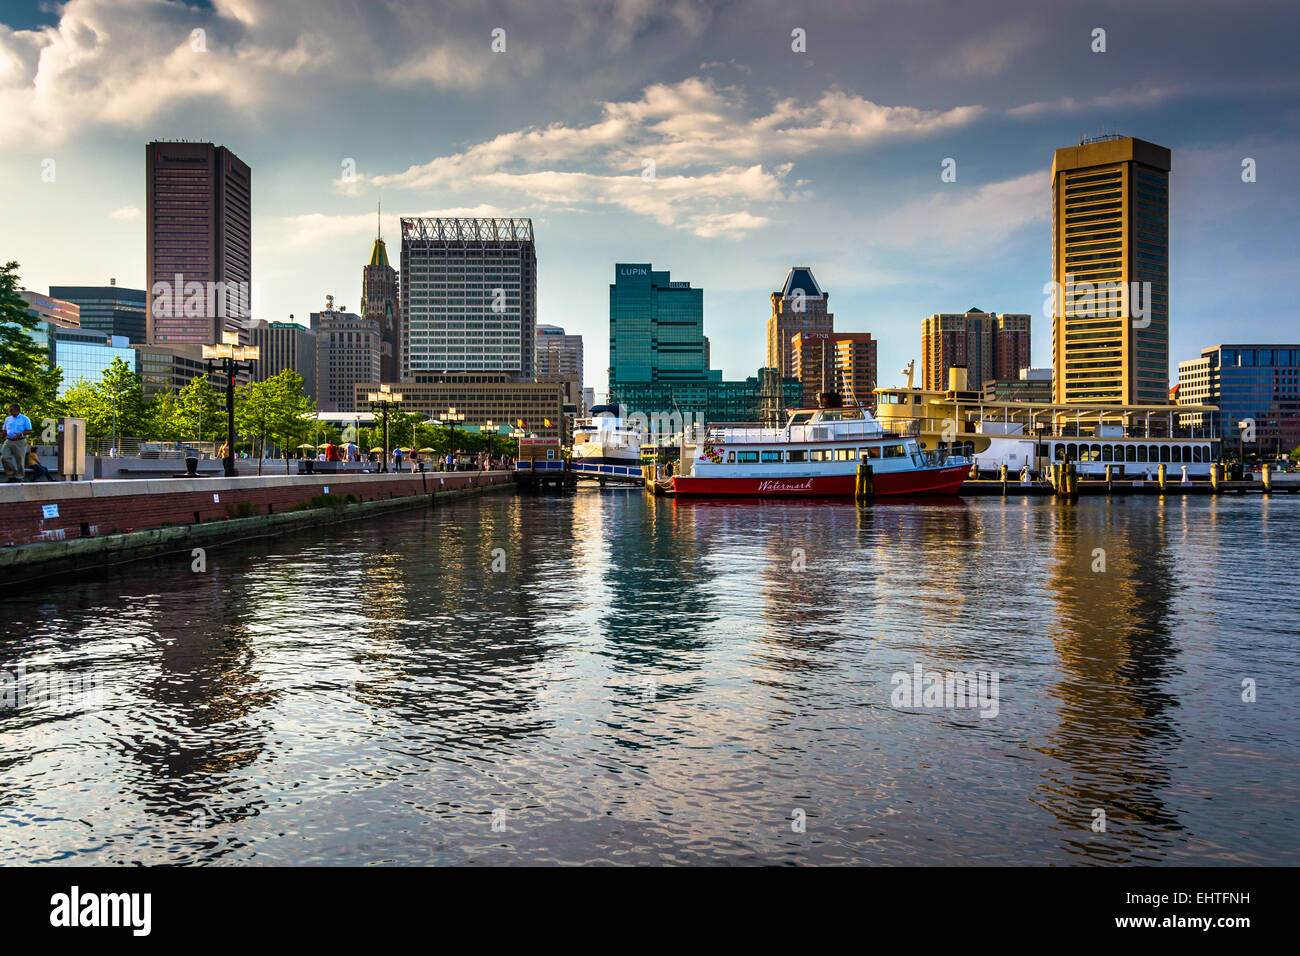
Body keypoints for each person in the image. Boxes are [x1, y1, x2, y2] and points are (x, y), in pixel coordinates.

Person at [3, 403, 33, 482]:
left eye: (11, 410)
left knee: (19, 460)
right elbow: (5, 430)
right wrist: (2, 433)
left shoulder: (25, 418)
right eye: (9, 410)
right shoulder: (7, 419)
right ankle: (11, 475)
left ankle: (19, 477)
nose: (10, 412)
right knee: (4, 457)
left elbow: (29, 430)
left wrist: (21, 434)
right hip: (8, 440)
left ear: (17, 410)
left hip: (20, 441)